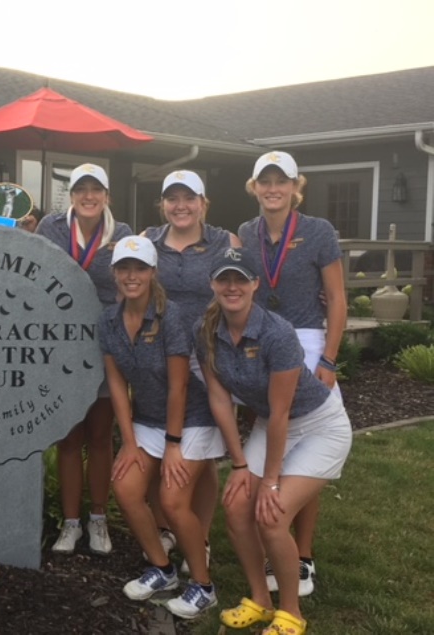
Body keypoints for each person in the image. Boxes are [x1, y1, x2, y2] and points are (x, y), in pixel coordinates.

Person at [196, 247, 351, 635]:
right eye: (224, 279)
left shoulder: (277, 333)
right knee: (235, 509)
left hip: (320, 426)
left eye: (240, 279)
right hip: (272, 425)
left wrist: (270, 480)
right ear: (212, 283)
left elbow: (281, 412)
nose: (231, 287)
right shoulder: (207, 331)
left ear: (255, 284)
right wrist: (240, 466)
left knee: (272, 514)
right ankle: (260, 600)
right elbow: (218, 398)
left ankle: (291, 612)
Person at [238, 151, 346, 596]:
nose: (272, 189)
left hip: (308, 342)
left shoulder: (319, 231)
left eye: (280, 181)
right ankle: (274, 540)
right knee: (276, 426)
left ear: (295, 186)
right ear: (255, 187)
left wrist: (329, 359)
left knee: (308, 438)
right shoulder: (247, 232)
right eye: (265, 181)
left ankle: (302, 555)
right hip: (265, 342)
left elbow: (337, 298)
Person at [102, 236, 224, 618]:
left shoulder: (172, 317)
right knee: (124, 487)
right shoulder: (107, 320)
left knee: (172, 502)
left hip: (193, 419)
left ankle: (203, 587)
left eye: (139, 268)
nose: (131, 276)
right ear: (115, 273)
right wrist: (129, 441)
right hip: (147, 419)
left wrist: (173, 444)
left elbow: (180, 385)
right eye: (124, 268)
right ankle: (163, 568)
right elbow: (118, 385)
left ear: (153, 273)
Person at [141, 170, 240, 568]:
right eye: (172, 198)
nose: (180, 206)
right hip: (158, 355)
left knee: (206, 451)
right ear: (162, 203)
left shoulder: (224, 241)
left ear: (203, 202)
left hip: (208, 357)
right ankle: (166, 527)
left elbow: (245, 289)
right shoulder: (148, 241)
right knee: (156, 438)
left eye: (189, 198)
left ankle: (199, 535)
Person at [36, 163, 132, 555]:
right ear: (71, 195)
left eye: (96, 189)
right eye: (81, 189)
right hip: (60, 347)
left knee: (99, 436)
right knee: (69, 438)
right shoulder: (51, 229)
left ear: (107, 196)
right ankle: (70, 523)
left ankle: (98, 520)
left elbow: (132, 287)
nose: (88, 196)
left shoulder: (122, 234)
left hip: (105, 345)